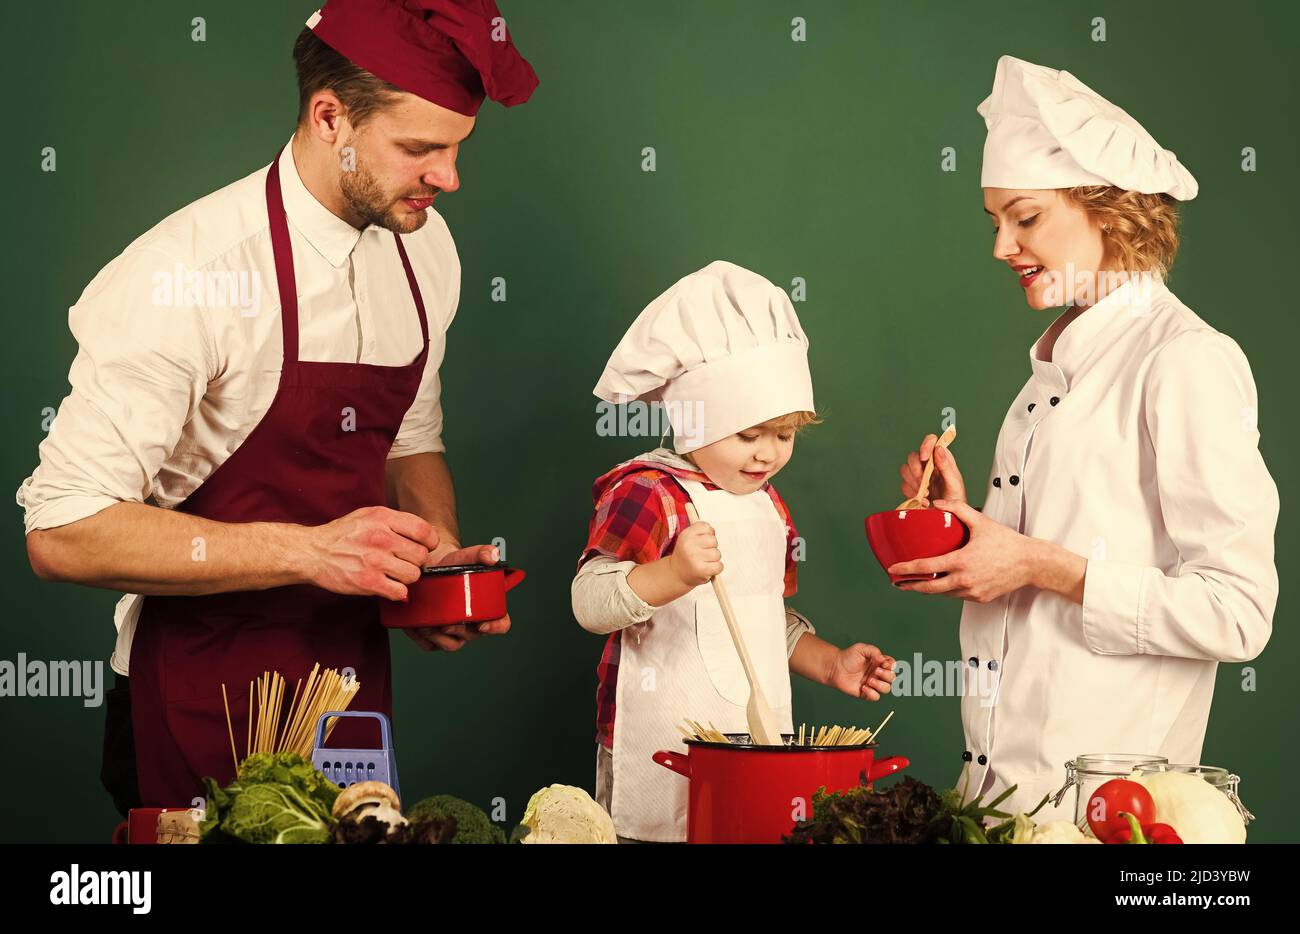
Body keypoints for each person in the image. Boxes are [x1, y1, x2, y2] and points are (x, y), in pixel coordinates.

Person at [17, 0, 537, 811]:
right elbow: (61, 531)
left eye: (456, 149)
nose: (449, 178)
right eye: (419, 149)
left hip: (346, 695)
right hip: (194, 687)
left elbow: (408, 436)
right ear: (332, 118)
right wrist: (309, 553)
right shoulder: (189, 276)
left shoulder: (426, 248)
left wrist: (429, 561)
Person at [893, 56, 1278, 819]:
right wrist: (979, 531)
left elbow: (1238, 612)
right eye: (995, 221)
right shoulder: (1057, 365)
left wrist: (1035, 560)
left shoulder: (1185, 359)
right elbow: (1051, 570)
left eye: (1026, 217)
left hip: (1109, 819)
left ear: (1110, 209)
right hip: (1000, 809)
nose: (1001, 246)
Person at [573, 260, 897, 842]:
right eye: (748, 434)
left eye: (784, 435)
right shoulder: (650, 491)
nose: (766, 455)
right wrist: (672, 574)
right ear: (693, 420)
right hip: (656, 750)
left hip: (757, 762)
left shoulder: (766, 506)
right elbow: (590, 603)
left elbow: (761, 623)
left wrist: (830, 663)